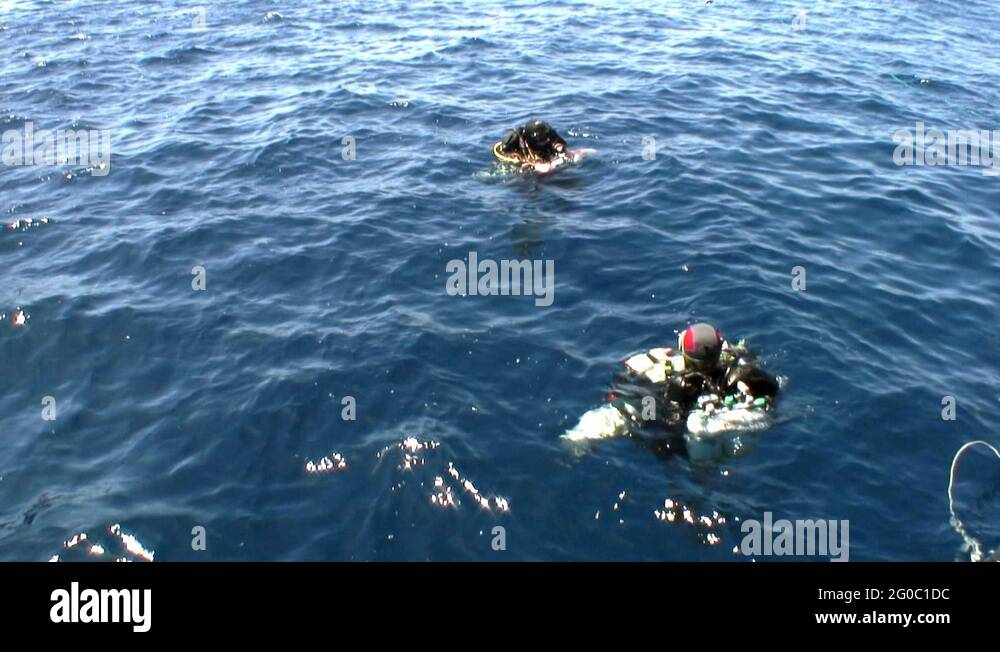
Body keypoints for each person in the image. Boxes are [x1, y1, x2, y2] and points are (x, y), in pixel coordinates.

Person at [561, 323, 779, 460]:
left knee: (624, 411)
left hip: (670, 431)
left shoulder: (662, 370)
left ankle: (578, 440)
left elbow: (624, 381)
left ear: (683, 350)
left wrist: (650, 357)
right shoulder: (735, 368)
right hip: (712, 428)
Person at [493, 119, 575, 174]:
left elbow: (560, 143)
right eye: (541, 140)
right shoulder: (513, 142)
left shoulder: (548, 133)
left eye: (546, 138)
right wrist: (531, 167)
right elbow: (504, 160)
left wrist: (560, 149)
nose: (546, 141)